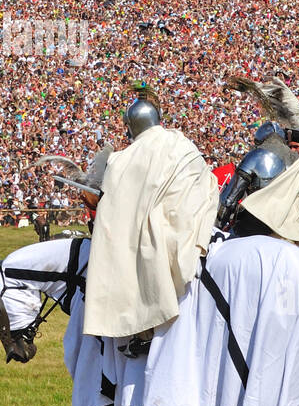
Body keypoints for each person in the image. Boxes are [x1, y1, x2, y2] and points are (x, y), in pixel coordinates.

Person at [82, 86, 218, 354]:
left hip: (165, 234)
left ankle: (140, 327)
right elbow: (205, 184)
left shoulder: (121, 161)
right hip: (195, 225)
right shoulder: (183, 144)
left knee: (135, 242)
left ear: (131, 126)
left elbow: (115, 209)